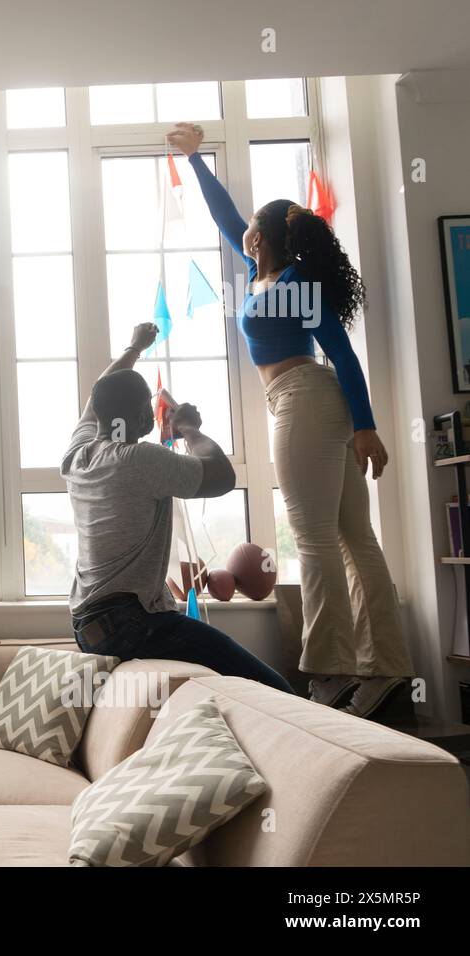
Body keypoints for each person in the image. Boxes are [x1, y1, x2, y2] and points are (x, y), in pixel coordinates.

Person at [167, 121, 413, 718]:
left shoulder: (298, 280)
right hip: (308, 401)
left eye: (252, 225)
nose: (241, 229)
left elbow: (341, 349)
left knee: (315, 537)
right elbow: (225, 217)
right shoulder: (262, 273)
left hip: (306, 399)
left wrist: (367, 424)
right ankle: (384, 670)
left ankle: (329, 672)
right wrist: (198, 162)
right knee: (354, 536)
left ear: (265, 235)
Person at [61, 322, 295, 695]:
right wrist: (189, 429)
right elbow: (220, 476)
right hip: (132, 622)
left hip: (87, 624)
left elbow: (97, 396)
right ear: (140, 417)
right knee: (274, 687)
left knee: (213, 689)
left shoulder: (78, 453)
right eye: (147, 409)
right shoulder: (138, 459)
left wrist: (134, 348)